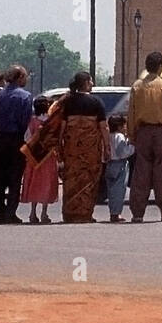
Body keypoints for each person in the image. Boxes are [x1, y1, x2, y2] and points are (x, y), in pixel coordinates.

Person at [127, 51, 162, 222]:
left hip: (143, 132)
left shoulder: (137, 86)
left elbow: (131, 114)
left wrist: (132, 134)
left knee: (141, 173)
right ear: (160, 67)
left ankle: (137, 213)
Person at [58, 72, 110, 223]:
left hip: (72, 149)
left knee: (71, 179)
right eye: (91, 81)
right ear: (86, 83)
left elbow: (63, 126)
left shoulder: (68, 102)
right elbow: (103, 127)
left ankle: (69, 213)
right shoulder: (96, 102)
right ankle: (84, 214)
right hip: (90, 150)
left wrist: (59, 145)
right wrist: (107, 147)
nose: (92, 84)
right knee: (89, 180)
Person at [0, 65, 33, 223]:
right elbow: (24, 120)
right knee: (14, 178)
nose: (26, 79)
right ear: (19, 78)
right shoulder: (25, 96)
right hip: (16, 139)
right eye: (25, 76)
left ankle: (0, 212)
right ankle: (11, 212)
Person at [21, 94, 59, 223]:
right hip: (48, 158)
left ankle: (32, 213)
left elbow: (27, 138)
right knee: (47, 184)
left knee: (34, 183)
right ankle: (44, 213)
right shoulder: (50, 123)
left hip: (33, 157)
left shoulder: (31, 121)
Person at [105, 114, 135, 223]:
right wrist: (132, 146)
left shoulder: (108, 136)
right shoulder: (119, 137)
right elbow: (122, 152)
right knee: (119, 191)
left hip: (110, 164)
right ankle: (116, 214)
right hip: (119, 164)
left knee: (111, 190)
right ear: (119, 126)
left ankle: (113, 212)